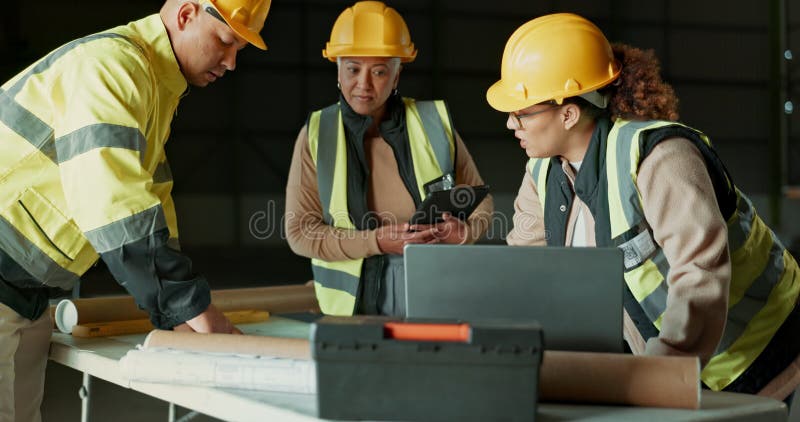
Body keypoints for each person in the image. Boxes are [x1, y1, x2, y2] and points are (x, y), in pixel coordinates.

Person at [487, 12, 800, 399]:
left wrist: (663, 371)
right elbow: (524, 269)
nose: (509, 124)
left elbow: (700, 270)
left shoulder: (661, 159)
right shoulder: (541, 174)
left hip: (758, 354)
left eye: (521, 113)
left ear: (568, 113)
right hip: (668, 368)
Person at [0, 0, 271, 419]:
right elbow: (111, 201)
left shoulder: (154, 87)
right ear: (186, 15)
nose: (232, 62)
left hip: (26, 295)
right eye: (225, 41)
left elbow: (152, 198)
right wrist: (190, 307)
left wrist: (178, 314)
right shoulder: (111, 67)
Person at [285, 1, 493, 317]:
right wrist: (376, 242)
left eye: (379, 71)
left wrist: (465, 233)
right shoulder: (317, 135)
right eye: (353, 69)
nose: (364, 84)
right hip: (351, 310)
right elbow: (300, 232)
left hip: (433, 294)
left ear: (397, 75)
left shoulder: (433, 124)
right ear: (338, 69)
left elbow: (480, 200)